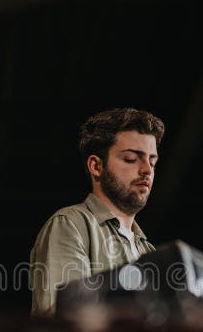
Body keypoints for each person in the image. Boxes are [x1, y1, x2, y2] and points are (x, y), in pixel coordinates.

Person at [30, 107, 164, 316]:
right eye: (131, 159)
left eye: (152, 162)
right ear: (96, 166)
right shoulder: (71, 224)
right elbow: (64, 323)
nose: (147, 169)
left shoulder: (150, 252)